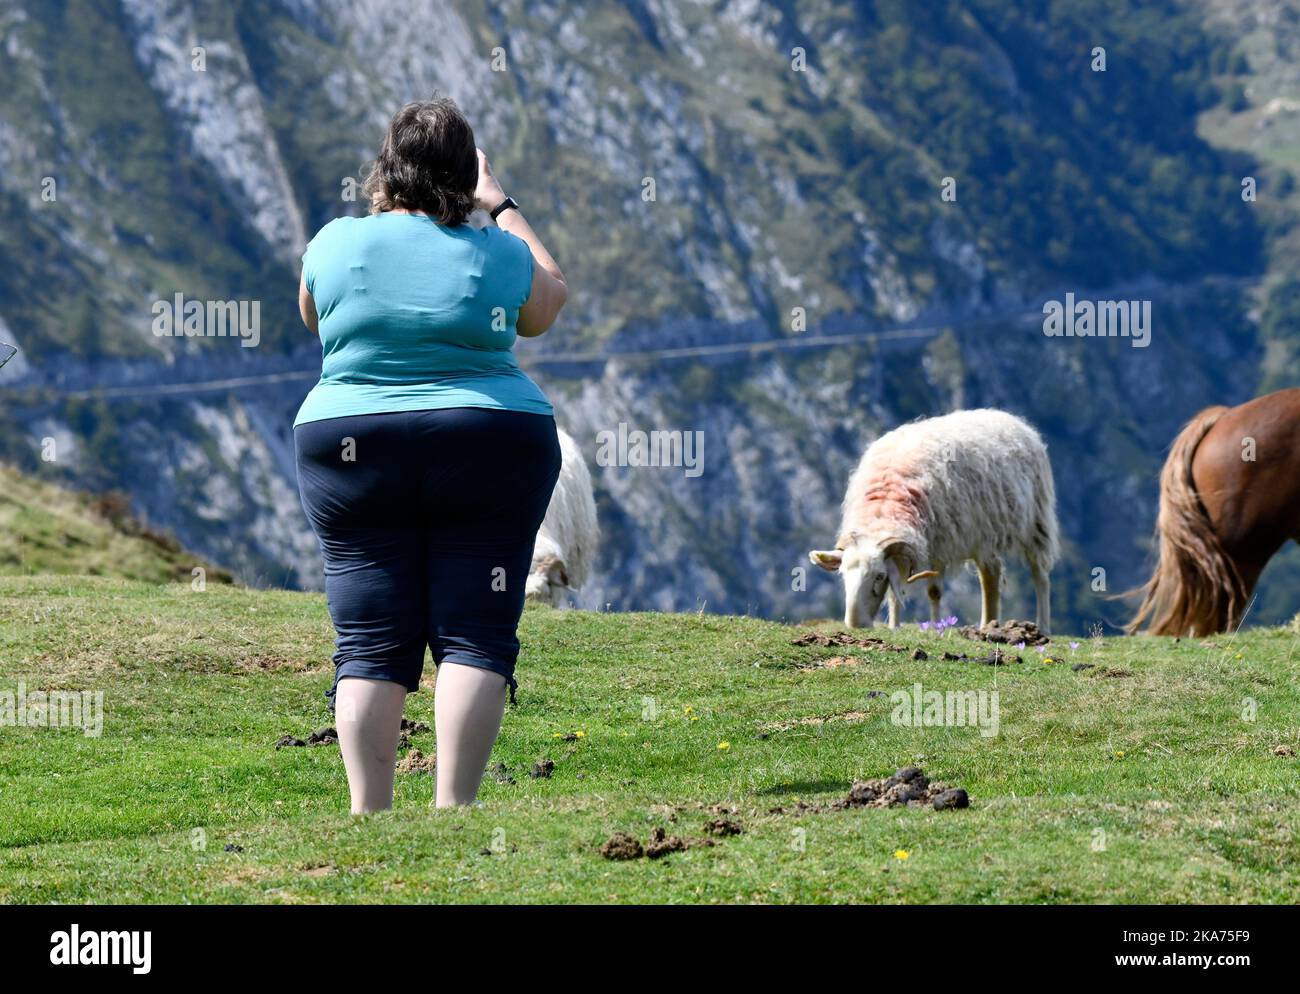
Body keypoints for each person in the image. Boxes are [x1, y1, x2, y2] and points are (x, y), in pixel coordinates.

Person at [294, 96, 567, 811]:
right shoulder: (498, 252)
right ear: (463, 174)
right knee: (476, 629)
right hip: (488, 438)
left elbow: (312, 314)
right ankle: (453, 808)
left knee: (369, 638)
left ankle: (369, 813)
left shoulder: (331, 243)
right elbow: (549, 306)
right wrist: (501, 203)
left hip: (350, 445)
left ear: (384, 169)